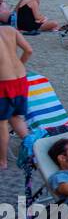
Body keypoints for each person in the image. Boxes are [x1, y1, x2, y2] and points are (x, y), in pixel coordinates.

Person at [0, 24, 33, 162]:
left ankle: (2, 161)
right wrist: (19, 64)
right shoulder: (10, 30)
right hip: (20, 79)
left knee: (1, 123)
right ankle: (32, 152)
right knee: (15, 117)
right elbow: (29, 50)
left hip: (4, 83)